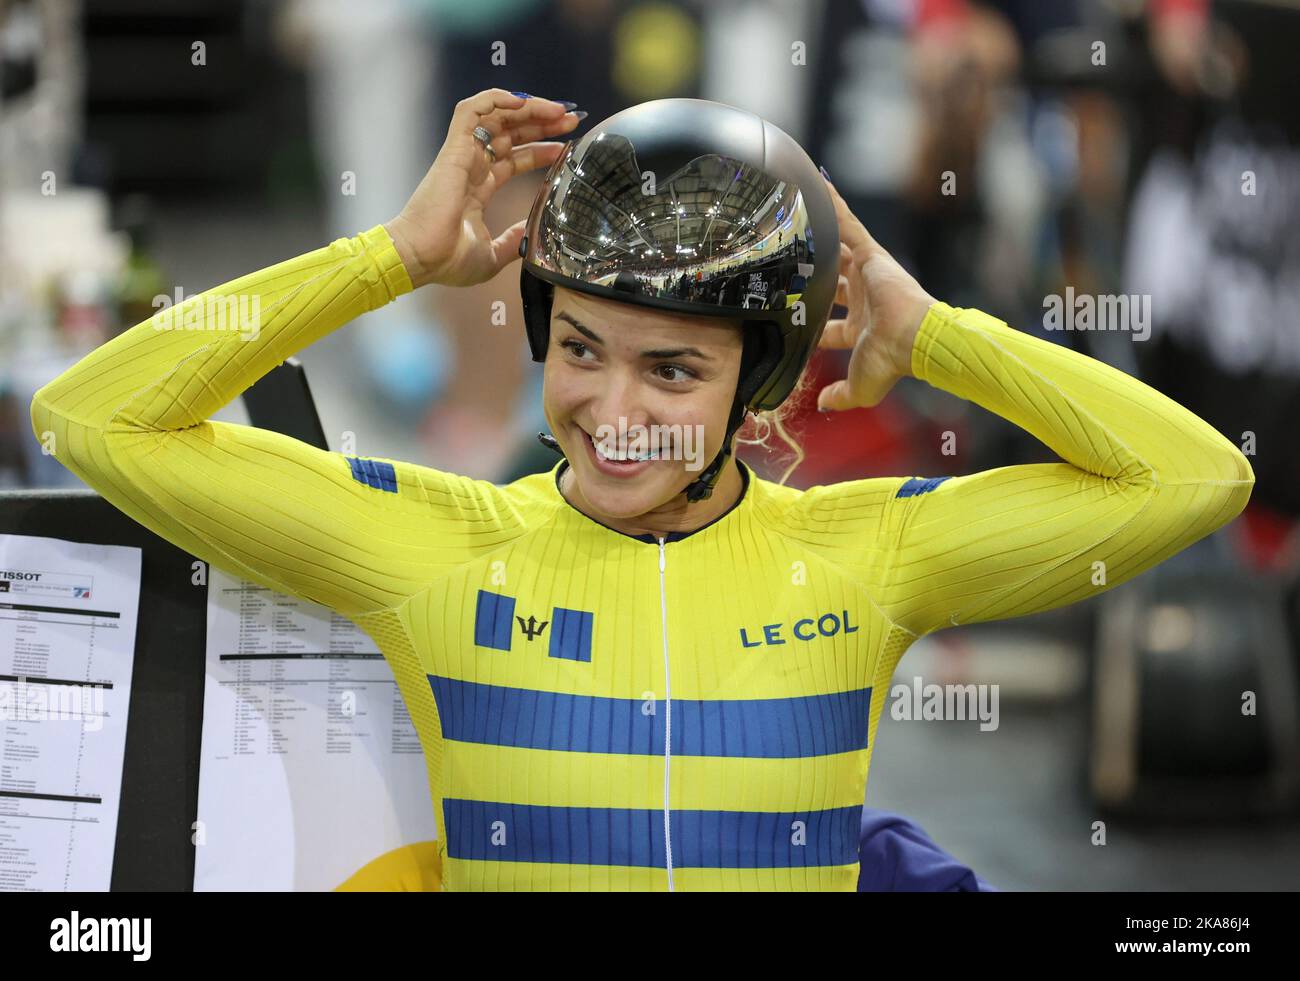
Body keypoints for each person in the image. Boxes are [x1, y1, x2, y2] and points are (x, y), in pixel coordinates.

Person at [31, 90, 1253, 892]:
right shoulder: (431, 546)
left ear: (758, 376)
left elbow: (1197, 478)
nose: (612, 412)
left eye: (672, 369)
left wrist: (929, 331)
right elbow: (91, 416)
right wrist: (391, 258)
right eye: (579, 350)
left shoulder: (862, 553)